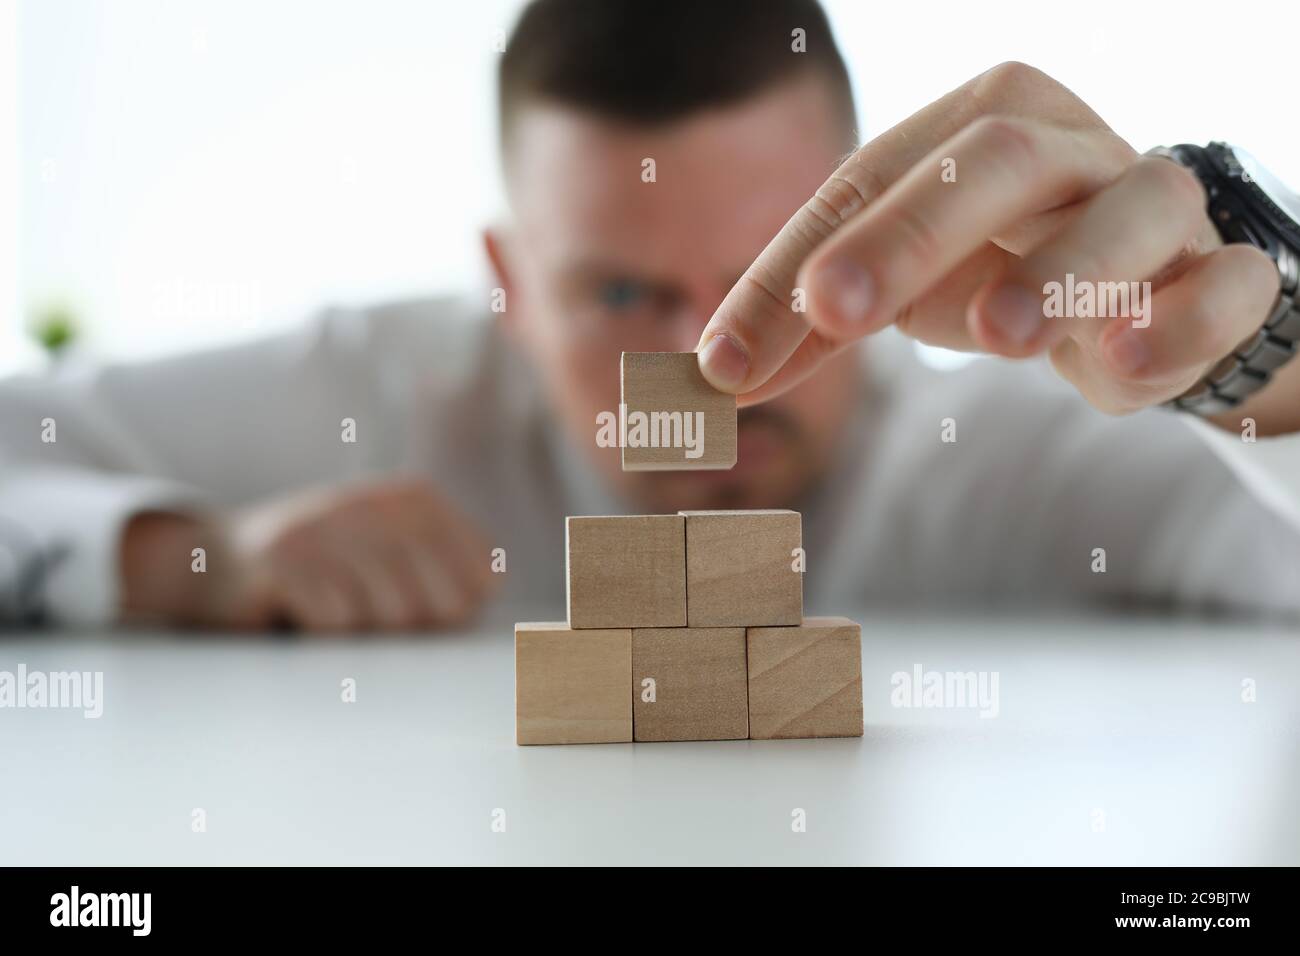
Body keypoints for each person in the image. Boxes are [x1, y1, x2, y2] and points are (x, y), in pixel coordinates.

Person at [3, 0, 1299, 632]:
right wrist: (180, 557)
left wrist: (1274, 377)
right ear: (506, 285)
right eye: (623, 293)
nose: (713, 366)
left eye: (778, 273)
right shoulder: (377, 388)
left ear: (882, 244)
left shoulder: (1025, 426)